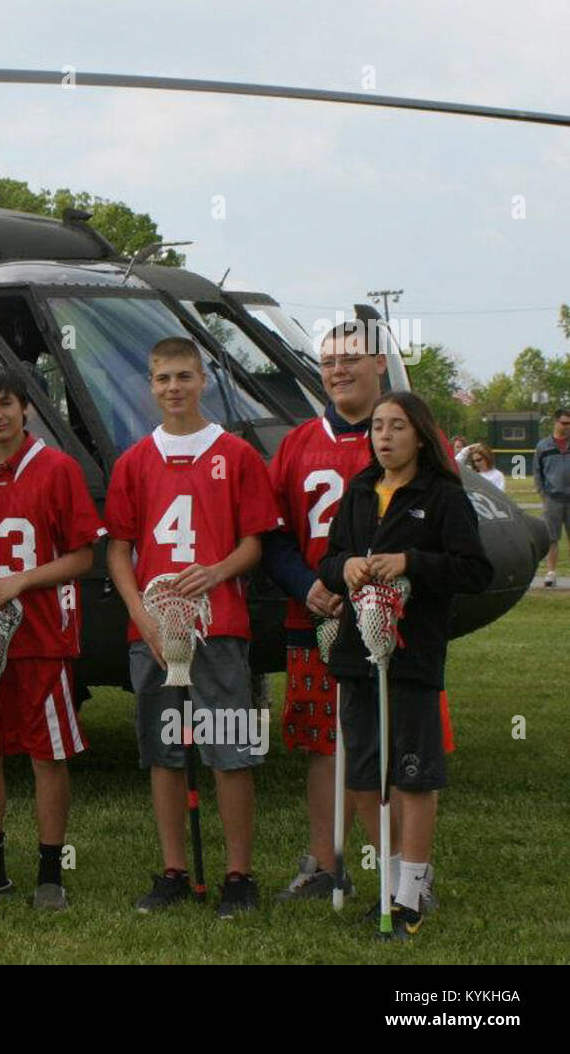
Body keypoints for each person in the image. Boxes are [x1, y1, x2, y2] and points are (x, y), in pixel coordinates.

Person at [105, 337, 281, 918]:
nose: (174, 388)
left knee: (229, 749)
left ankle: (238, 874)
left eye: (184, 376)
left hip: (219, 624)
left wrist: (217, 572)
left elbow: (256, 541)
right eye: (163, 379)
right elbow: (119, 550)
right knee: (163, 752)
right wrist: (140, 613)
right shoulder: (134, 461)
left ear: (202, 379)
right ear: (150, 386)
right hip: (154, 630)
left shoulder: (236, 454)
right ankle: (174, 869)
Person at [318, 392, 492, 938]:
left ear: (421, 435)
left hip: (412, 654)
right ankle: (394, 881)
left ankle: (414, 892)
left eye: (397, 426)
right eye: (376, 427)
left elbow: (474, 570)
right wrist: (343, 566)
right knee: (365, 772)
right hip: (355, 651)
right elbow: (328, 558)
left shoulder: (442, 497)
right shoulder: (359, 491)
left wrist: (410, 562)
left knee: (412, 772)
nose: (384, 436)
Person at [0, 366, 106, 911]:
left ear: (26, 408)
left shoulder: (57, 469)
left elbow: (85, 556)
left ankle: (50, 874)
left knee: (45, 755)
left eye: (6, 403)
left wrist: (21, 581)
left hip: (41, 636)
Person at [262, 321, 385, 902]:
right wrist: (306, 584)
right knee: (321, 741)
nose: (338, 370)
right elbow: (274, 534)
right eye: (328, 360)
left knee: (384, 740)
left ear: (380, 364)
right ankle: (326, 862)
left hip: (387, 617)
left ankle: (403, 871)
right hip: (314, 615)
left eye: (351, 358)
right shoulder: (296, 443)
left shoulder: (405, 433)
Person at [534, 407, 570, 587]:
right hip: (553, 499)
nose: (568, 426)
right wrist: (543, 495)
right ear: (556, 422)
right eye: (565, 423)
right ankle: (550, 573)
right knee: (552, 537)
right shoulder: (543, 446)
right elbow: (537, 472)